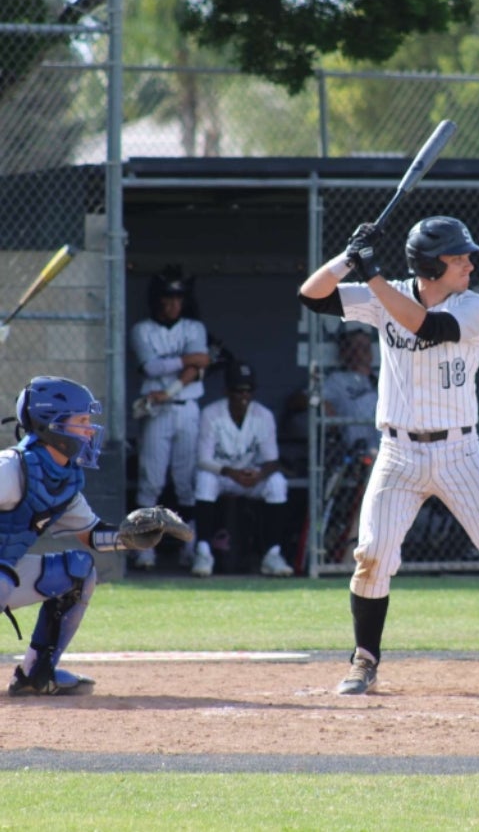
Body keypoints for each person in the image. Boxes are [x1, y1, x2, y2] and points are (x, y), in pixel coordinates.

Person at [298, 215, 479, 695]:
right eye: (457, 258)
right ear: (429, 266)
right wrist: (348, 258)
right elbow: (311, 296)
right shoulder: (383, 293)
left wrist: (371, 273)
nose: (468, 264)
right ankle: (364, 659)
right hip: (398, 453)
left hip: (460, 452)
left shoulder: (473, 306)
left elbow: (426, 325)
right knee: (372, 555)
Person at [0, 376, 173, 696]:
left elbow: (92, 535)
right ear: (51, 424)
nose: (89, 429)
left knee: (79, 571)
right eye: (81, 420)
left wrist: (135, 536)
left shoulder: (62, 481)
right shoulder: (11, 469)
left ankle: (36, 674)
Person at [129, 266, 210, 570]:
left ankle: (190, 548)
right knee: (151, 482)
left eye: (177, 297)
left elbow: (200, 365)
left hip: (186, 406)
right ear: (157, 300)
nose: (172, 303)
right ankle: (144, 547)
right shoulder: (142, 329)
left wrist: (171, 386)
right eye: (166, 297)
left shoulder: (194, 328)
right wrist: (185, 362)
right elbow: (151, 368)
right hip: (156, 412)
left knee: (187, 482)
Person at [192, 360, 292, 577]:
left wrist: (259, 475)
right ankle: (203, 552)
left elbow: (272, 460)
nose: (243, 396)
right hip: (224, 475)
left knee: (277, 483)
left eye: (248, 391)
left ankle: (272, 555)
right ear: (227, 391)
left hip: (251, 477)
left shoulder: (263, 415)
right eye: (238, 391)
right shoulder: (211, 413)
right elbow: (202, 459)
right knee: (204, 480)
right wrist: (231, 473)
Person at [323, 328, 381, 455]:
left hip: (387, 445)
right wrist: (323, 405)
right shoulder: (337, 380)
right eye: (357, 346)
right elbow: (300, 399)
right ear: (345, 352)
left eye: (366, 347)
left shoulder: (383, 377)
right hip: (359, 449)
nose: (362, 351)